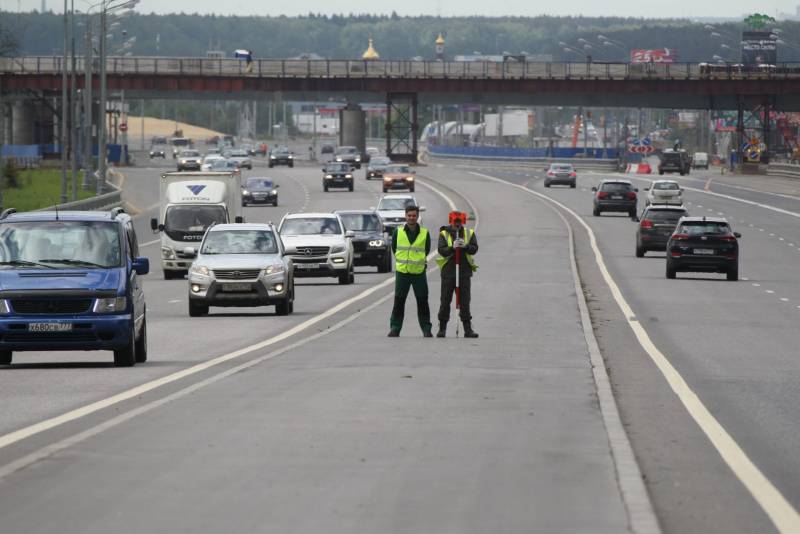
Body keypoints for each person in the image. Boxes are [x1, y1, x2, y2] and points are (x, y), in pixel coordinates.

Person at [388, 205, 433, 337]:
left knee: (422, 301)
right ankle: (395, 328)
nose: (411, 218)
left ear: (418, 216)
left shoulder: (424, 233)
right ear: (405, 216)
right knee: (399, 301)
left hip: (419, 273)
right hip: (403, 273)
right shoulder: (398, 231)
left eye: (414, 215)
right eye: (409, 215)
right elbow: (395, 248)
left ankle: (426, 329)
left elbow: (427, 249)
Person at [435, 211, 479, 338]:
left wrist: (465, 246)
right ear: (451, 221)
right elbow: (441, 250)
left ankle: (467, 329)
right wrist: (452, 248)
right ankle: (442, 328)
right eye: (456, 222)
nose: (458, 225)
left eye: (460, 222)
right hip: (449, 273)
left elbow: (474, 248)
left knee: (465, 301)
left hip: (464, 272)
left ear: (463, 222)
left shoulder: (469, 233)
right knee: (445, 301)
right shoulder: (444, 233)